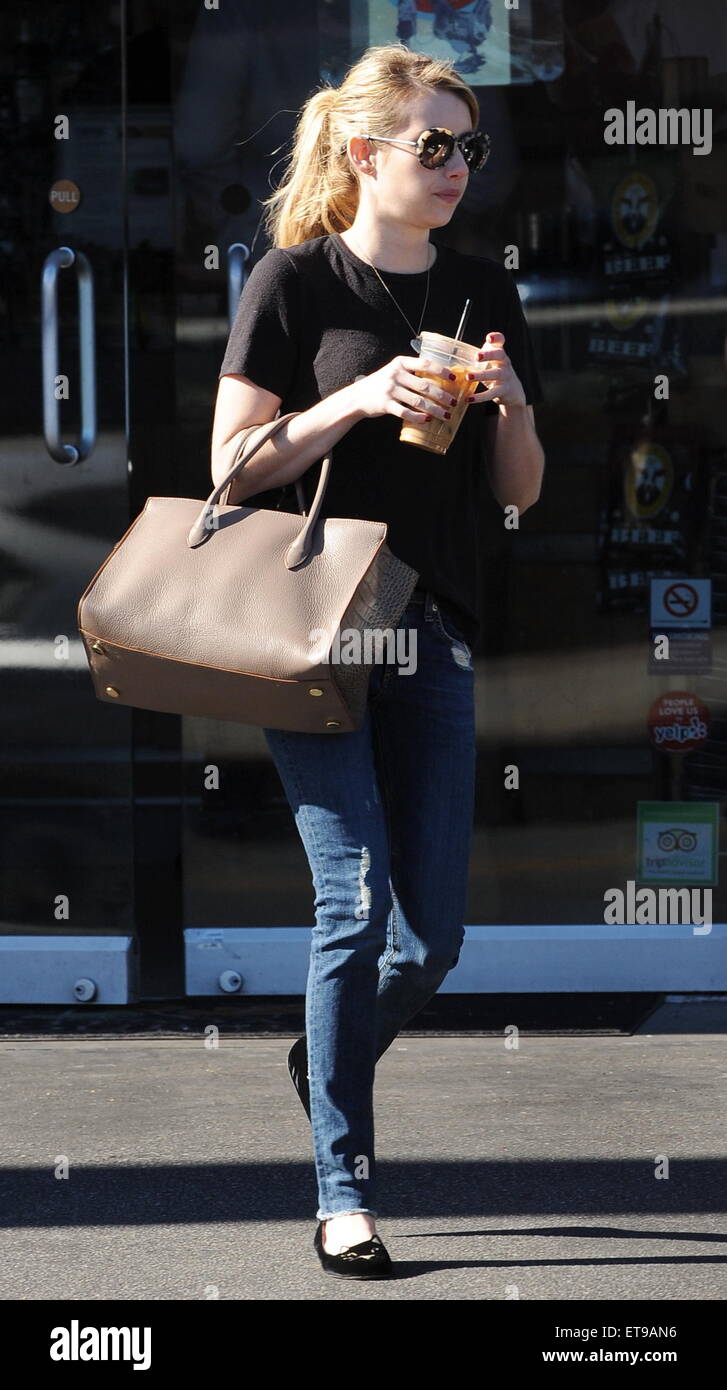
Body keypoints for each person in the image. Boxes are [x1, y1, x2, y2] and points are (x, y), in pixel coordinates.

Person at [211, 42, 545, 1279]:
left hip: (431, 627)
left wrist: (507, 405)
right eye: (432, 144)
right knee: (348, 905)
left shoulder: (479, 294)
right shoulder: (294, 282)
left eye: (468, 147)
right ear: (363, 152)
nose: (456, 166)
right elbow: (230, 470)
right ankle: (342, 1186)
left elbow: (520, 490)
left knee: (431, 940)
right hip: (319, 627)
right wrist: (351, 403)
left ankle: (324, 1053)